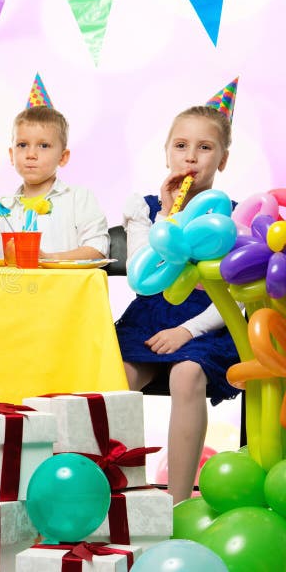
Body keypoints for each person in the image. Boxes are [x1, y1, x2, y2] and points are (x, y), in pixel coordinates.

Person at [115, 79, 240, 504]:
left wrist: (188, 331)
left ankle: (179, 500)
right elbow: (139, 274)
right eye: (181, 145)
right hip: (150, 318)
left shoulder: (233, 219)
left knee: (188, 374)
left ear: (222, 160)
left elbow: (237, 296)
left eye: (205, 148)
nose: (191, 155)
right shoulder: (144, 208)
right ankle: (118, 493)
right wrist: (168, 215)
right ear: (167, 152)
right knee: (116, 378)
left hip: (208, 324)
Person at [0, 75, 108, 260]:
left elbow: (97, 248)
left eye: (44, 145)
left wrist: (49, 258)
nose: (31, 154)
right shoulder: (3, 209)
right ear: (11, 155)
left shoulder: (78, 199)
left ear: (63, 157)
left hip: (64, 288)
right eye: (22, 145)